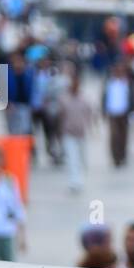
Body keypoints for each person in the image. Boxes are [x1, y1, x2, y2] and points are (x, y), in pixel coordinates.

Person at [59, 63, 93, 193]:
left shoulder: (84, 99)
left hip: (81, 133)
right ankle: (74, 181)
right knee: (72, 158)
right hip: (69, 132)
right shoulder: (64, 99)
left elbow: (89, 114)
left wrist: (91, 128)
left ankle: (80, 178)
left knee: (81, 158)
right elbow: (61, 115)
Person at [103, 61, 131, 168]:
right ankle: (115, 157)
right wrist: (104, 110)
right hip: (113, 112)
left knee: (124, 135)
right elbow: (104, 97)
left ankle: (123, 155)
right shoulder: (109, 83)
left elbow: (132, 97)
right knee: (114, 136)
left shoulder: (126, 82)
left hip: (124, 112)